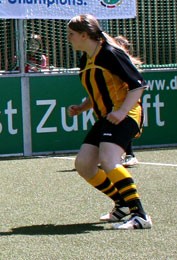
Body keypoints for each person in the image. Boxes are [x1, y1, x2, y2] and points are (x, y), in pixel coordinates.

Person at [65, 14, 151, 229]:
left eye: (72, 34)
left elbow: (138, 85)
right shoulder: (86, 59)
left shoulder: (110, 53)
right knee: (84, 165)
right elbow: (97, 91)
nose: (69, 38)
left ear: (85, 35)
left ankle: (140, 215)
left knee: (109, 159)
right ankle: (121, 204)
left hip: (126, 115)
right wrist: (82, 107)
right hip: (107, 118)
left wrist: (122, 111)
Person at [113, 35, 142, 167]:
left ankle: (130, 155)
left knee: (124, 127)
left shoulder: (125, 63)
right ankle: (118, 155)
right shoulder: (114, 61)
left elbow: (136, 85)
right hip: (117, 101)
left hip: (128, 103)